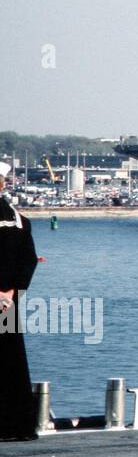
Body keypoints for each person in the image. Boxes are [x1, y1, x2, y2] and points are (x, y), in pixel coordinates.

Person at [0, 161, 40, 442]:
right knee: (11, 363)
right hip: (8, 302)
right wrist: (11, 292)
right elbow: (28, 262)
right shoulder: (20, 221)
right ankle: (18, 425)